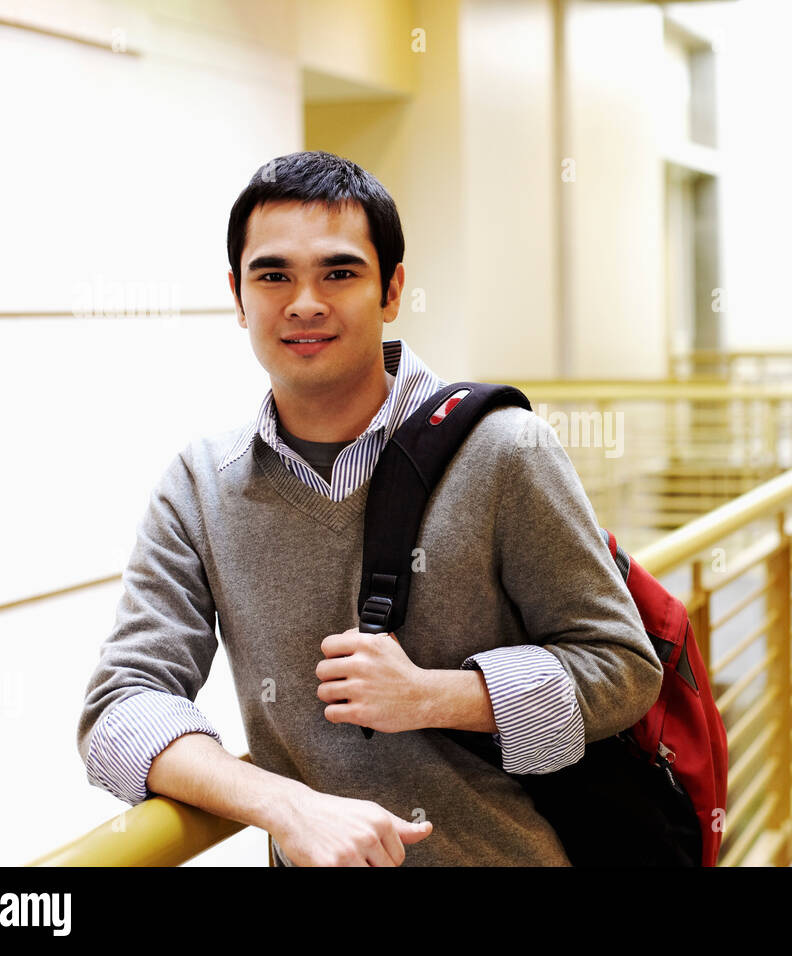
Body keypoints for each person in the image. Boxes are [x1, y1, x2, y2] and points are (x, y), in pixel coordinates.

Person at [75, 150, 664, 867]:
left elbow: (622, 668)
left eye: (339, 272)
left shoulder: (505, 450)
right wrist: (286, 804)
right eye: (273, 275)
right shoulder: (201, 486)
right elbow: (121, 706)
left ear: (391, 291)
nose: (304, 303)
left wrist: (435, 696)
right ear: (237, 296)